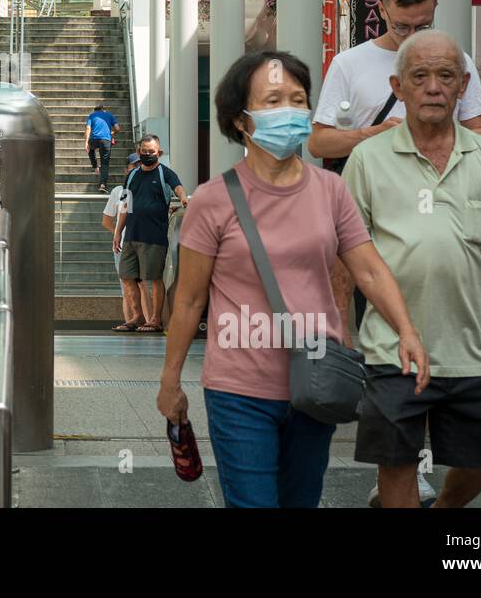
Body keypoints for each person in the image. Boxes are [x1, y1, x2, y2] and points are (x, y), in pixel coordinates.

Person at [158, 50, 429, 509]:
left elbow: (368, 267)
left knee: (301, 500)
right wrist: (170, 381)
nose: (289, 110)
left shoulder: (331, 190)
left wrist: (406, 329)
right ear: (241, 121)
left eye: (298, 99)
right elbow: (188, 302)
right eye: (273, 100)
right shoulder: (211, 200)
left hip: (316, 383)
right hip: (238, 386)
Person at [343, 30, 481, 509]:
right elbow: (343, 251)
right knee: (396, 458)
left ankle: (446, 508)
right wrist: (339, 328)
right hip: (392, 347)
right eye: (420, 76)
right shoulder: (367, 158)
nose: (433, 87)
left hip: (479, 344)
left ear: (462, 84)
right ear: (398, 86)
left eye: (445, 76)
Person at [309, 0, 481, 328]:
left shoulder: (457, 62)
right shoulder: (349, 64)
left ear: (436, 8)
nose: (411, 36)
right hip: (374, 207)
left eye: (422, 27)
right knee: (374, 298)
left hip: (442, 204)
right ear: (381, 9)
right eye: (401, 26)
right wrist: (371, 135)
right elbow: (318, 141)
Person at [115, 134, 187, 333]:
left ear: (159, 153)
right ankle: (136, 316)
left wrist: (183, 199)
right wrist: (118, 232)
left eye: (151, 152)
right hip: (131, 236)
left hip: (154, 236)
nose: (147, 155)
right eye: (144, 152)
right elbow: (124, 204)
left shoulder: (166, 173)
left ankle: (154, 320)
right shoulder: (131, 176)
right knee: (127, 277)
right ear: (138, 152)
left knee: (153, 278)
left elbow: (178, 187)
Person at [105, 152, 142, 331]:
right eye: (133, 166)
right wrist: (118, 234)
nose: (136, 169)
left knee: (142, 285)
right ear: (126, 169)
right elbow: (106, 220)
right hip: (122, 246)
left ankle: (146, 322)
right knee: (126, 286)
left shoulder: (145, 189)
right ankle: (129, 323)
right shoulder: (119, 191)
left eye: (139, 166)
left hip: (142, 241)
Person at [85, 103, 119, 193]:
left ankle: (95, 167)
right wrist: (113, 133)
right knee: (105, 163)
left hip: (94, 139)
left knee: (90, 149)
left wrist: (86, 141)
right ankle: (102, 185)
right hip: (105, 140)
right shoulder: (109, 115)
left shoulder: (92, 115)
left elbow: (88, 128)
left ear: (95, 110)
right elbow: (118, 128)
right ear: (103, 109)